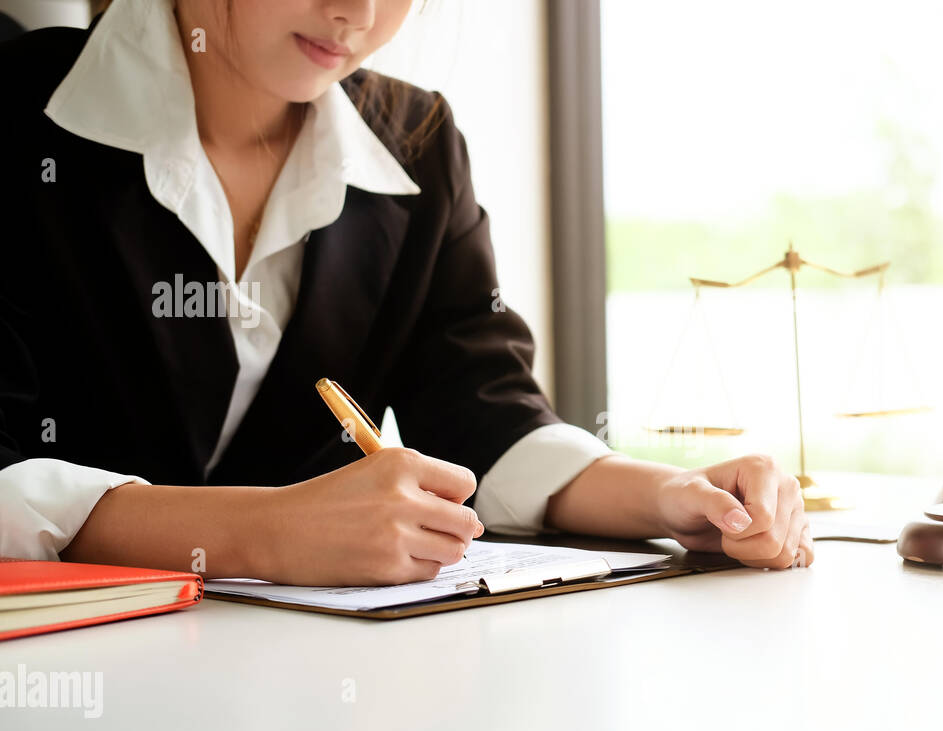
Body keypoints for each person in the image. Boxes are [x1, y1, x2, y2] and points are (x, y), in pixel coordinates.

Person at [0, 0, 813, 586]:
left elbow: (484, 415)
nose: (357, 11)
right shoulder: (18, 111)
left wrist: (669, 496)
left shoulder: (415, 145)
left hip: (300, 690)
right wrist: (266, 534)